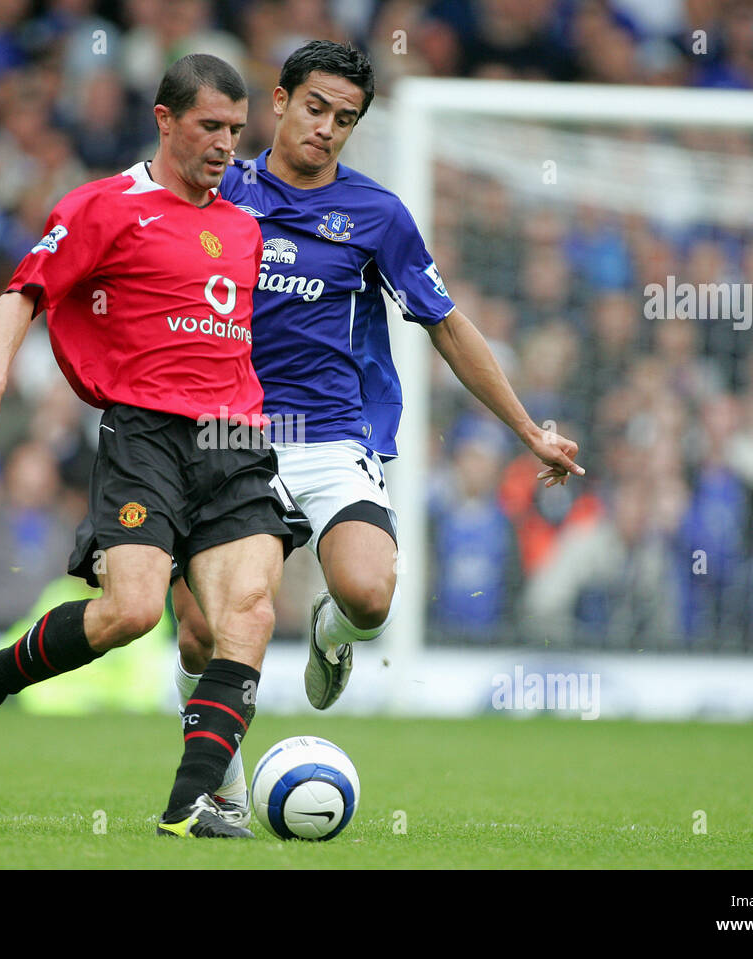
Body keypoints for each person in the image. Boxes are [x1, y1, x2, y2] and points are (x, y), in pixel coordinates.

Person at [0, 54, 308, 839]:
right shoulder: (103, 207)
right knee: (131, 612)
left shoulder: (244, 225)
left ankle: (193, 808)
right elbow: (25, 291)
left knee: (246, 613)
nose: (225, 144)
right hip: (144, 435)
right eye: (209, 126)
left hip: (235, 441)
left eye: (235, 130)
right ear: (163, 119)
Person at [173, 41, 583, 821]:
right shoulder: (218, 193)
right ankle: (216, 790)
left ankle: (330, 634)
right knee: (202, 637)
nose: (327, 129)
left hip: (330, 433)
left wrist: (531, 431)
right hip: (229, 435)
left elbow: (449, 325)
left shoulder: (377, 215)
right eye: (316, 108)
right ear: (281, 101)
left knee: (369, 595)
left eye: (346, 119)